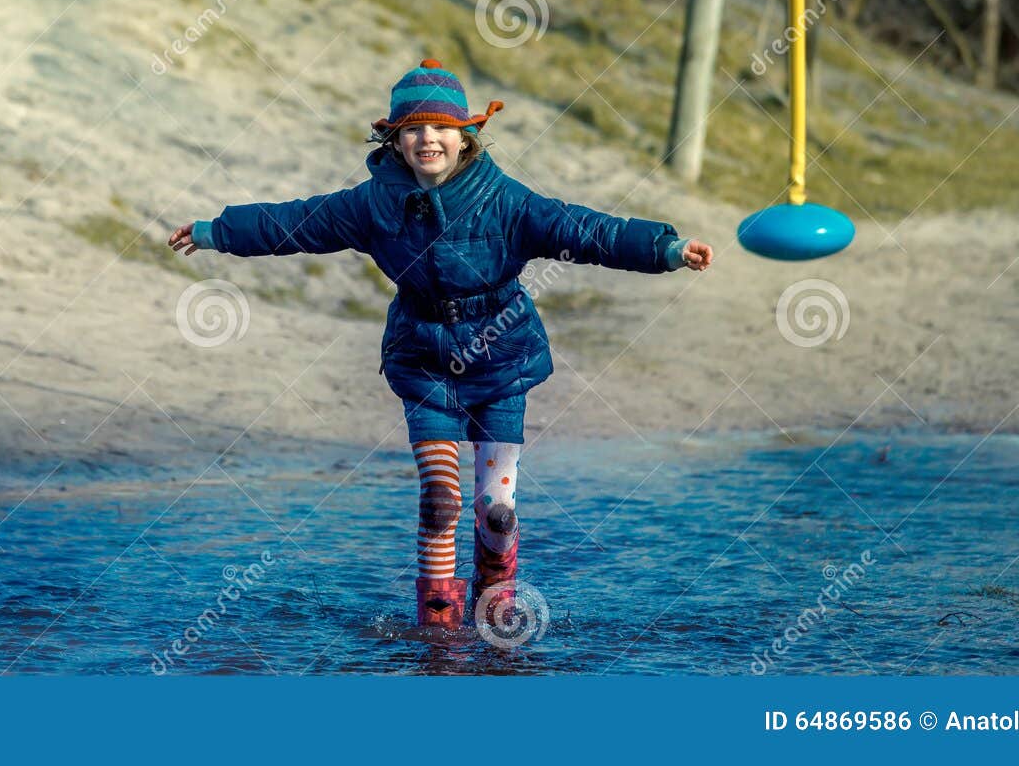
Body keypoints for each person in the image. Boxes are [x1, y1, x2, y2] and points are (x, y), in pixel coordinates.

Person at [169, 59, 713, 631]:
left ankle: (495, 608)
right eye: (413, 129)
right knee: (440, 502)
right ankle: (438, 632)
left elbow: (587, 231)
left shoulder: (507, 201)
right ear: (395, 138)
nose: (427, 138)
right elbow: (294, 223)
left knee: (495, 512)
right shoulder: (372, 204)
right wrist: (214, 233)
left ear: (466, 135)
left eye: (440, 128)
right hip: (425, 361)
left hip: (501, 360)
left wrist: (667, 249)